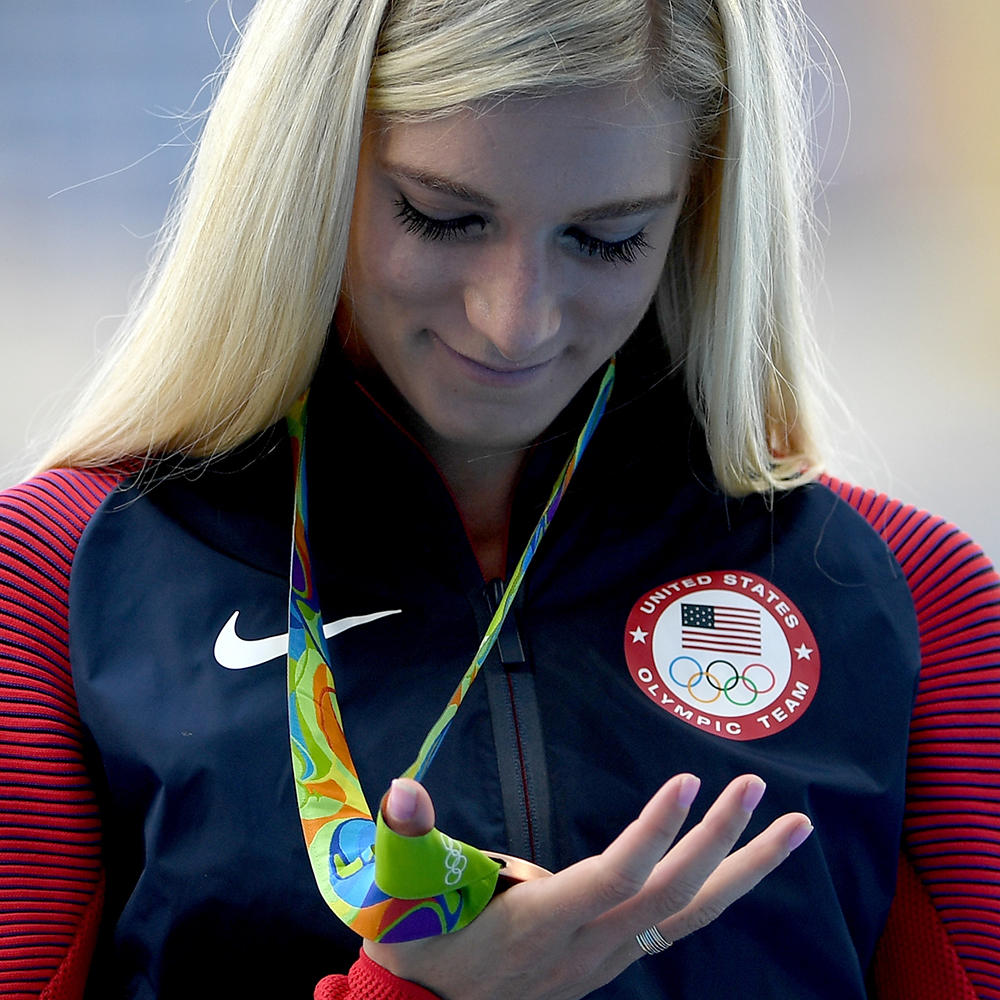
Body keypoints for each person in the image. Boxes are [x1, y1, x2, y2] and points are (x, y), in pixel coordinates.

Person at [1, 0, 997, 998]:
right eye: (443, 216)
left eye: (605, 238)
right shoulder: (52, 579)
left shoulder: (911, 592)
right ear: (310, 167)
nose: (514, 319)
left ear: (699, 209)